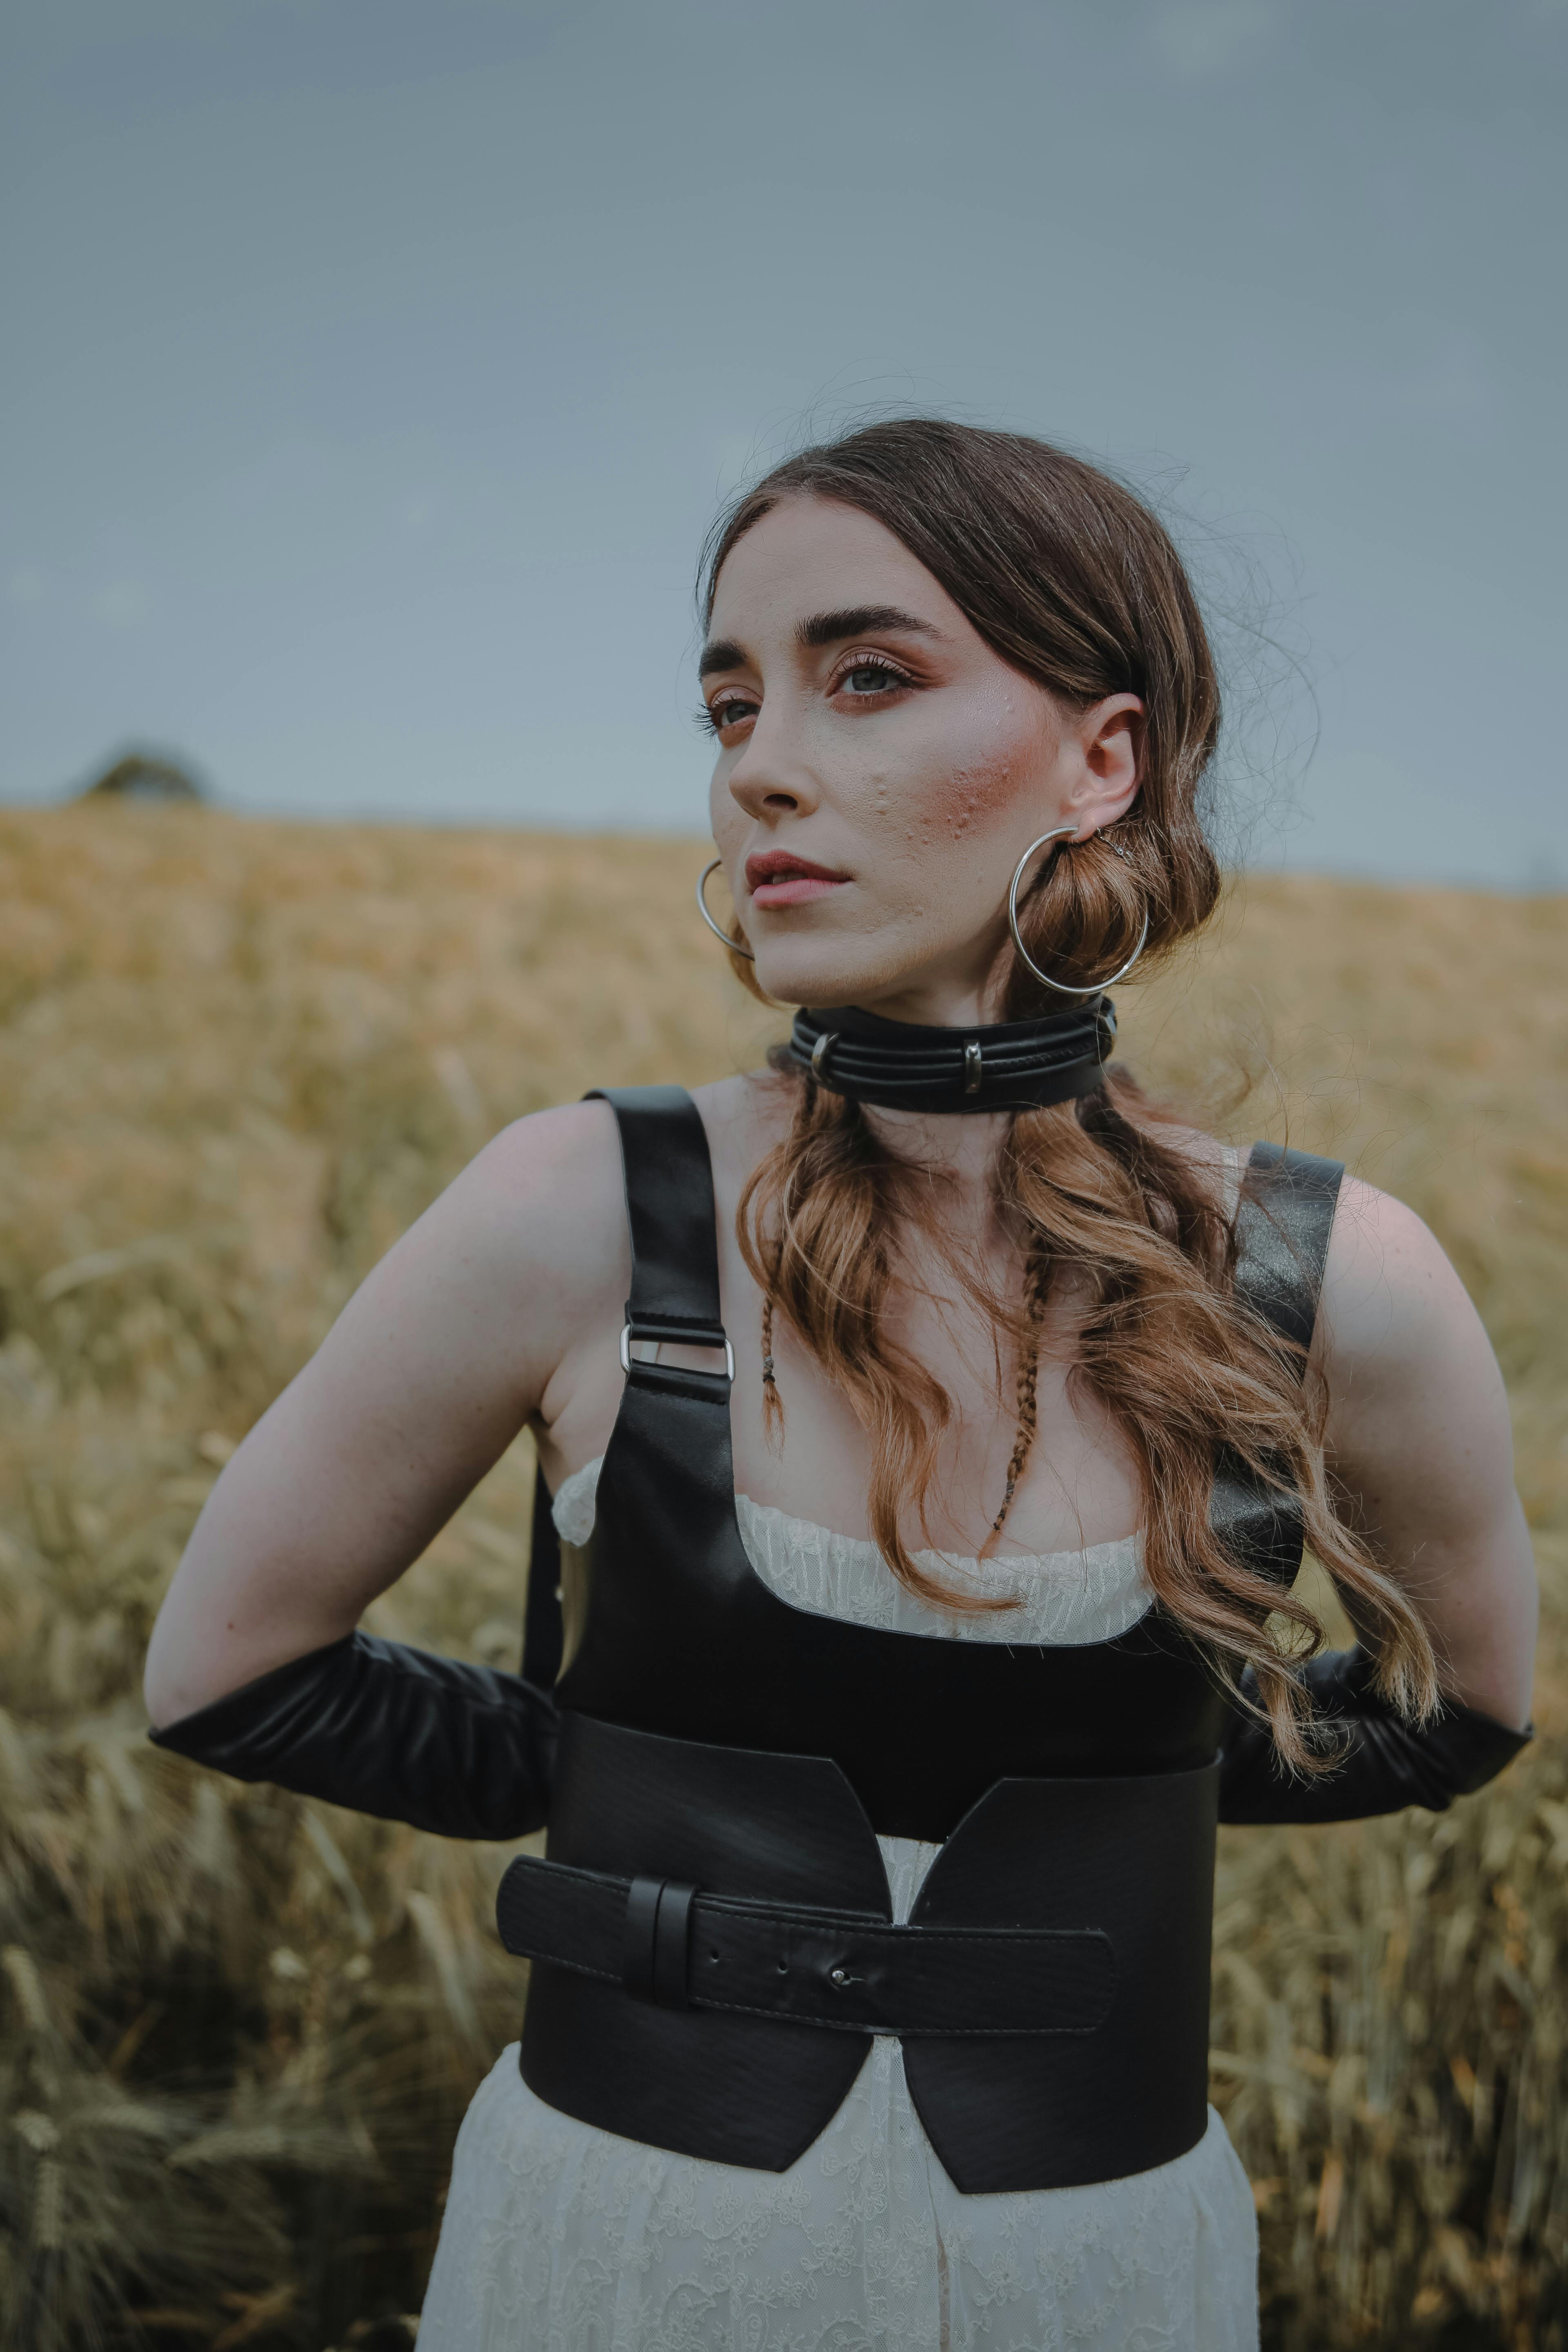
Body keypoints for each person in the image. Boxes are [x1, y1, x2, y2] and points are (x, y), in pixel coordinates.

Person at [143, 420, 1537, 2352]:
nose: (761, 763)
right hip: (614, 2261)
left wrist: (1097, 1794)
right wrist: (663, 1828)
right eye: (731, 702)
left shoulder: (1329, 1275)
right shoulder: (577, 1206)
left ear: (1101, 759)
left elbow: (1463, 1708)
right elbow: (228, 1670)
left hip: (1105, 2279)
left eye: (866, 677)